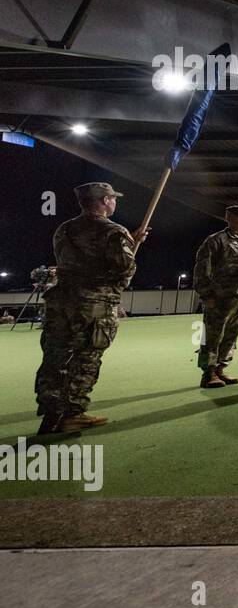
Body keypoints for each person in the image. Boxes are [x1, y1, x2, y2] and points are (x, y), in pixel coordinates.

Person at [33, 182, 148, 433]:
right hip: (93, 303)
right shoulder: (112, 231)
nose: (115, 202)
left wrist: (128, 239)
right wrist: (128, 246)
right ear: (105, 201)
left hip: (60, 300)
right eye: (112, 198)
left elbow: (77, 259)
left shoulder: (64, 229)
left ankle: (52, 410)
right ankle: (72, 414)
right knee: (86, 357)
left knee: (55, 355)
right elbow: (124, 269)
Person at [193, 204, 238, 389]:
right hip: (220, 297)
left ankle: (221, 368)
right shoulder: (216, 240)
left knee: (231, 335)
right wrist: (206, 294)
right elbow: (202, 268)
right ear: (228, 218)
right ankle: (209, 373)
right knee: (213, 335)